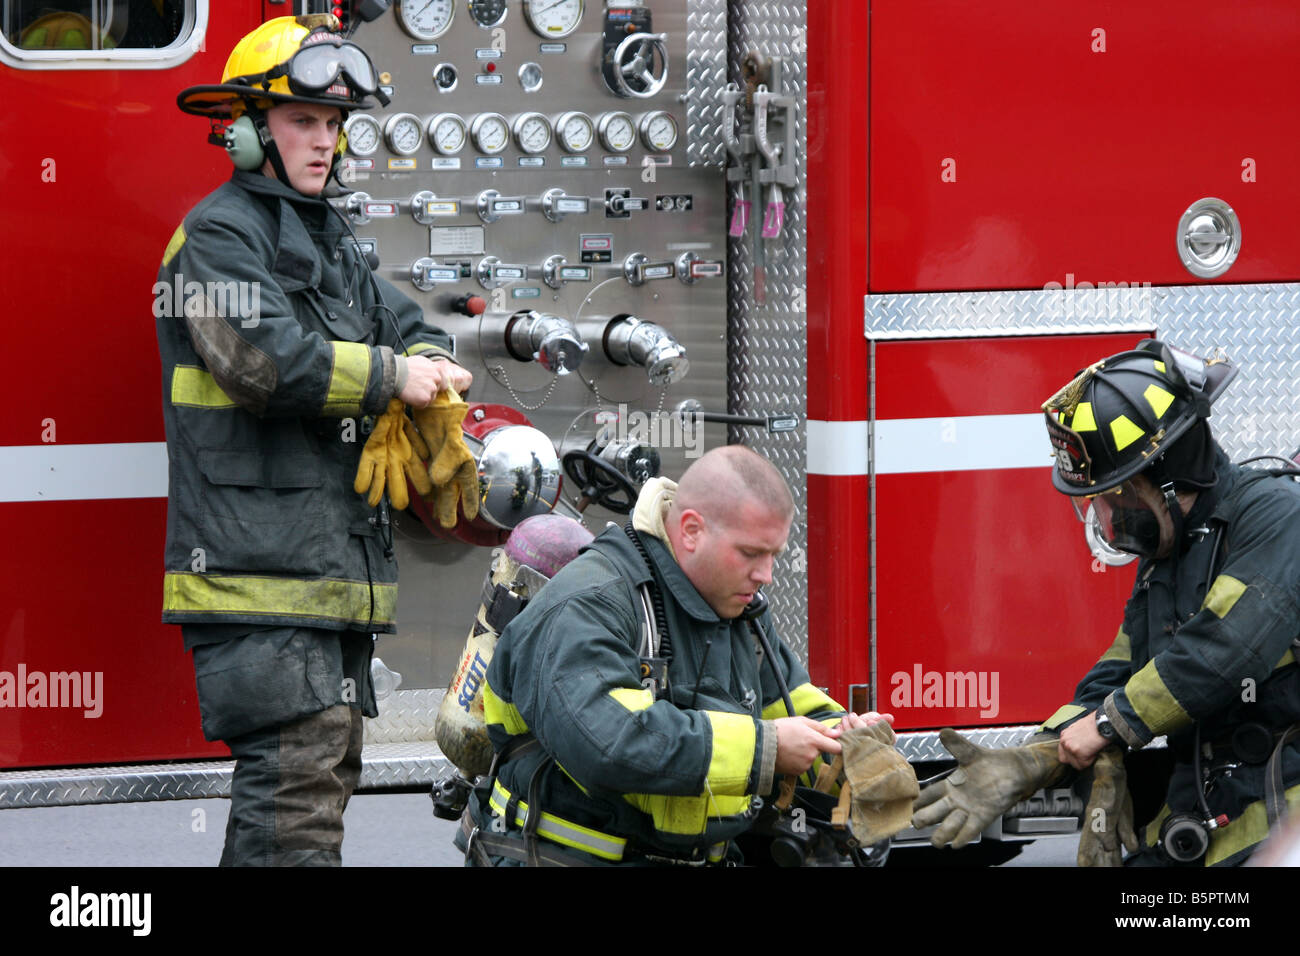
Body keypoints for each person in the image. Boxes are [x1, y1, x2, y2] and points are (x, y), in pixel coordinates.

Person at [157, 15, 471, 866]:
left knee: (315, 793)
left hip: (320, 579)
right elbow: (262, 362)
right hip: (258, 579)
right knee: (291, 808)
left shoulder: (325, 235)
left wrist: (434, 366)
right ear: (248, 129)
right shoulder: (218, 237)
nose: (324, 141)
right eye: (302, 121)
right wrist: (388, 378)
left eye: (333, 125)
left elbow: (406, 323)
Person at [913, 339, 1300, 866]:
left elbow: (1223, 652)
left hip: (1280, 812)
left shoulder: (1275, 516)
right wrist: (1043, 751)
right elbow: (1125, 662)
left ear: (1168, 476)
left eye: (1116, 495)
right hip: (1211, 799)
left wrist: (1105, 727)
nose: (1106, 519)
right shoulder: (1174, 546)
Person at [458, 445, 887, 866]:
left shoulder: (737, 610)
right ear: (691, 530)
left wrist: (845, 744)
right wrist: (765, 750)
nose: (766, 575)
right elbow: (611, 745)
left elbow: (793, 709)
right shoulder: (590, 601)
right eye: (751, 553)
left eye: (773, 555)